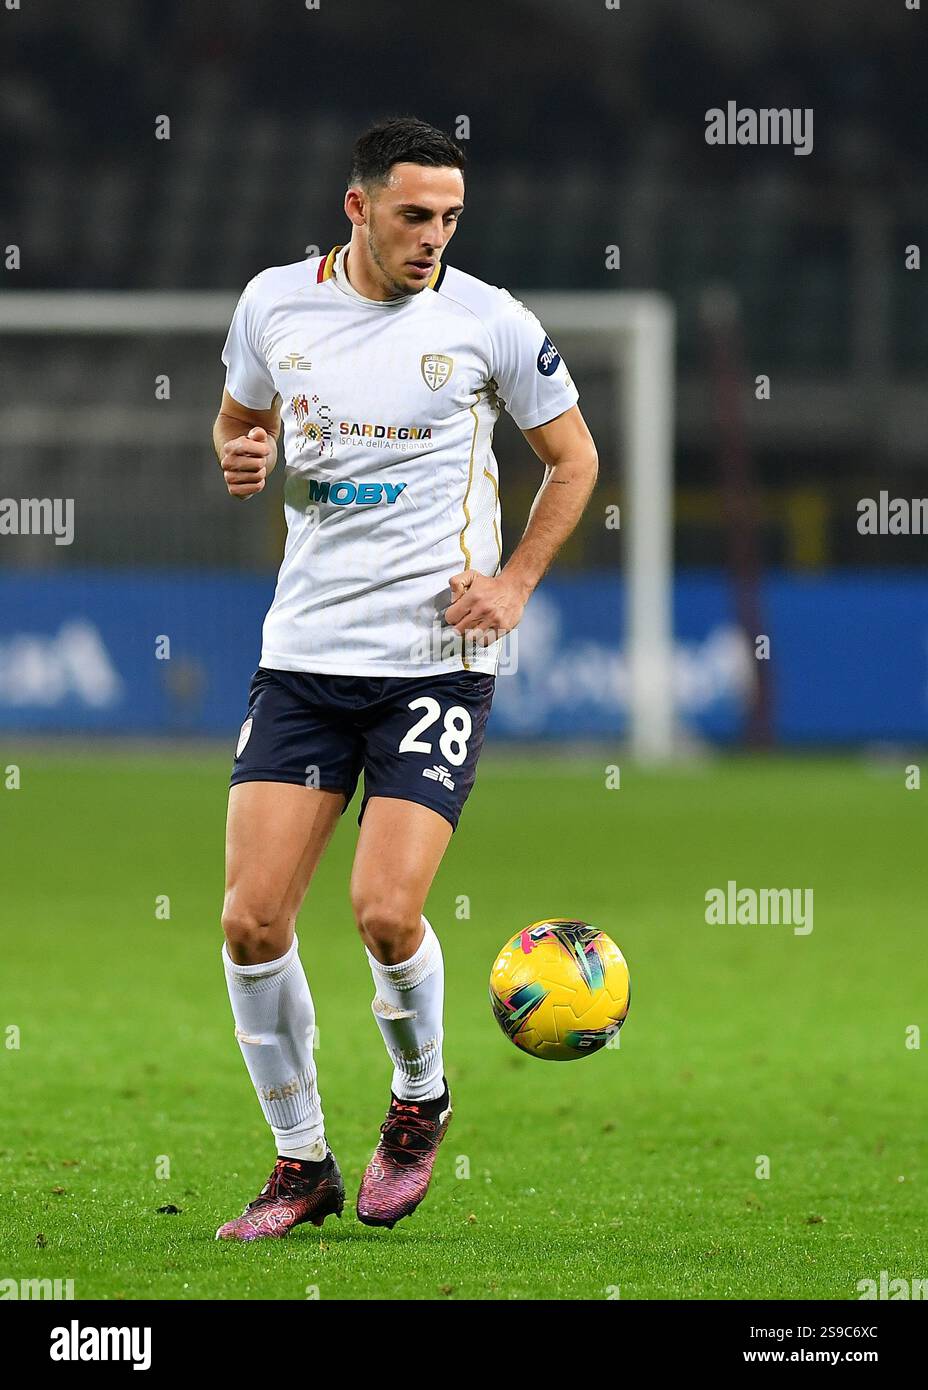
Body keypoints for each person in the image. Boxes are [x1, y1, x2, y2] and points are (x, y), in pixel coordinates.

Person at [212, 116, 598, 1240]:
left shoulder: (488, 321)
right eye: (413, 214)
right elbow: (242, 421)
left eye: (449, 218)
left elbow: (572, 460)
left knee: (385, 913)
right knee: (248, 923)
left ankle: (419, 1099)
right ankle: (300, 1164)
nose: (433, 236)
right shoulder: (272, 303)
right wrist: (240, 455)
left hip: (435, 662)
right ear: (358, 207)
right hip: (305, 654)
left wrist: (517, 582)